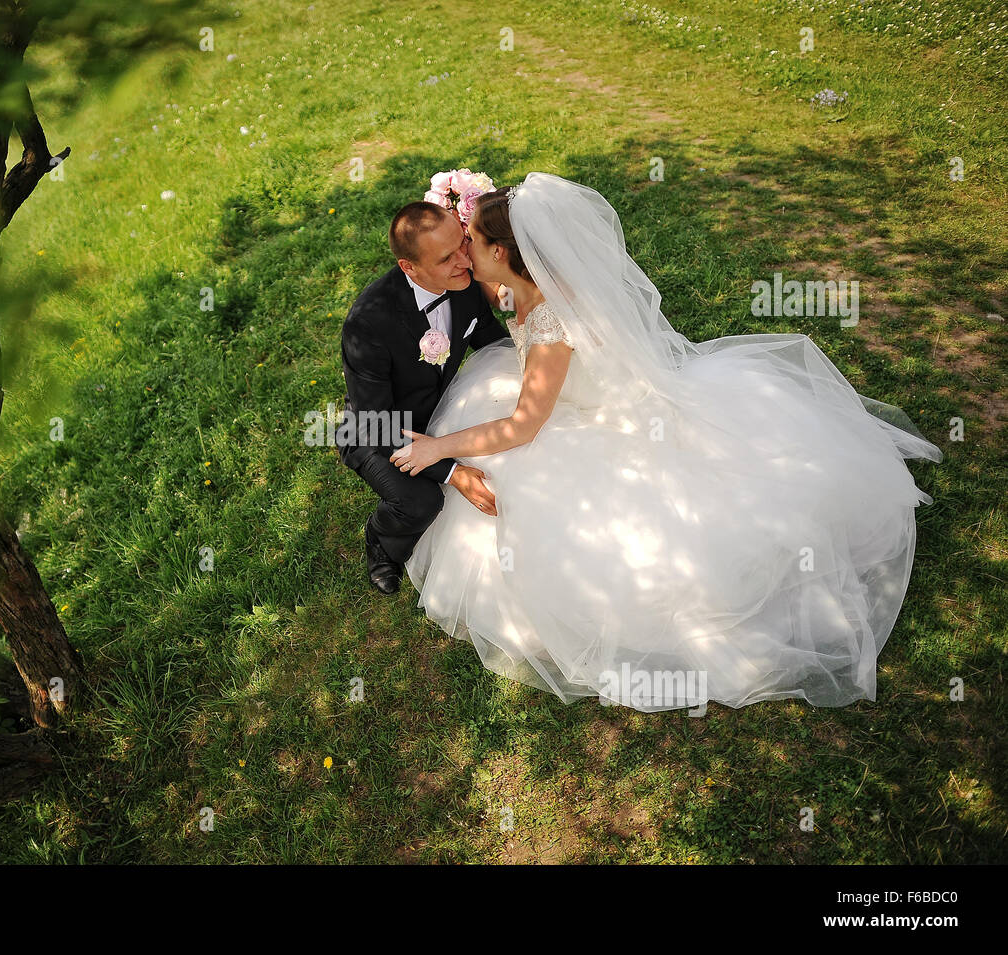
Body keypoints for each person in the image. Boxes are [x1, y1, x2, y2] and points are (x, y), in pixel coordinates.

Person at [390, 173, 943, 711]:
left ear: (507, 256)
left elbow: (522, 427)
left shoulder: (552, 328)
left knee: (522, 488)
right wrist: (466, 207)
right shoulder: (526, 282)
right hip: (571, 392)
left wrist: (440, 450)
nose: (466, 252)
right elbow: (497, 275)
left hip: (595, 420)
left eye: (474, 243)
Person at [338, 200, 509, 595]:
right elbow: (375, 423)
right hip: (380, 431)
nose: (465, 262)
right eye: (447, 258)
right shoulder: (367, 325)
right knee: (421, 501)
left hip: (445, 412)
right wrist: (453, 472)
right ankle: (381, 543)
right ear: (409, 268)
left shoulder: (465, 283)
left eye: (463, 244)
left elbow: (489, 341)